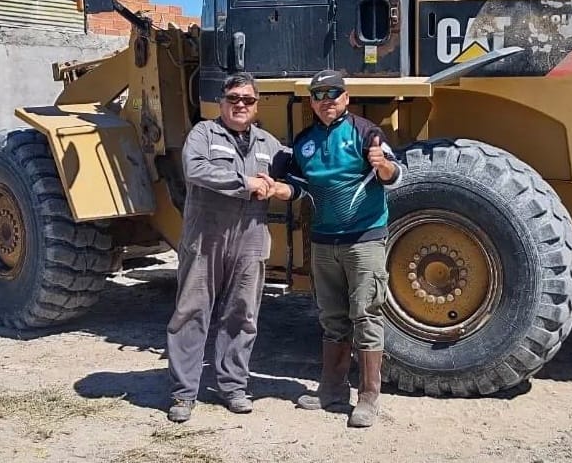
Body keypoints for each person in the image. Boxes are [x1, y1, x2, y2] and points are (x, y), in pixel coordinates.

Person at [165, 72, 295, 423]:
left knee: (242, 315)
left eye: (248, 100)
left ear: (256, 105)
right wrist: (244, 182)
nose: (240, 105)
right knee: (191, 313)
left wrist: (287, 190)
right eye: (233, 98)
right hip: (206, 237)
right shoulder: (203, 134)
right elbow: (194, 170)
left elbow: (295, 176)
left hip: (251, 238)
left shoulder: (269, 144)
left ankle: (234, 386)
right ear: (221, 103)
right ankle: (183, 393)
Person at [282, 69, 404, 428]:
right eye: (319, 95)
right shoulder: (303, 142)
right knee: (331, 317)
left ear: (346, 97)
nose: (327, 100)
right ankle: (331, 389)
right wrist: (277, 188)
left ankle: (367, 398)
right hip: (324, 241)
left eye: (334, 93)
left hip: (364, 239)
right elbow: (297, 186)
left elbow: (398, 176)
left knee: (365, 314)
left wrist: (383, 167)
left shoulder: (367, 132)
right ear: (311, 102)